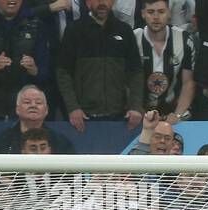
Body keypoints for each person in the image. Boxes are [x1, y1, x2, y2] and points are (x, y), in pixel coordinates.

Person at [55, 0, 143, 133]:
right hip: (83, 119)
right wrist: (73, 107)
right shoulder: (74, 30)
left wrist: (135, 106)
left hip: (121, 117)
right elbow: (63, 72)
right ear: (88, 2)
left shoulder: (124, 30)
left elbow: (135, 72)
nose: (102, 3)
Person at [132, 0, 195, 122]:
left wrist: (177, 115)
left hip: (171, 111)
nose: (156, 17)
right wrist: (136, 109)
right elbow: (126, 81)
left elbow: (189, 83)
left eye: (161, 12)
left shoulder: (184, 40)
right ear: (143, 14)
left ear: (169, 13)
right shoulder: (133, 39)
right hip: (138, 113)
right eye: (151, 12)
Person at [0, 85, 76, 154]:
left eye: (38, 102)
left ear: (46, 110)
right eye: (27, 102)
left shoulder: (60, 142)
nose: (33, 105)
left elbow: (73, 175)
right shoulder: (0, 141)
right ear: (17, 109)